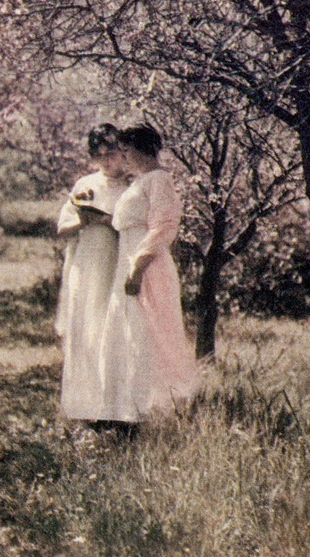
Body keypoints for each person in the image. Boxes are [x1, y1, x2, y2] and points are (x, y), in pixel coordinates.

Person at [98, 123, 199, 424]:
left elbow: (164, 226)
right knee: (125, 333)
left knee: (145, 334)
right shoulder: (139, 183)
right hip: (127, 261)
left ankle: (146, 410)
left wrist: (137, 269)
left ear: (144, 150)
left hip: (146, 265)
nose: (124, 157)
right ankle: (120, 409)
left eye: (127, 151)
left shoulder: (159, 180)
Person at [55, 124, 128, 421]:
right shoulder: (85, 184)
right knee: (86, 328)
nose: (106, 161)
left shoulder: (133, 185)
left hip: (117, 262)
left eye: (111, 153)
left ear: (122, 152)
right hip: (86, 264)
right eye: (99, 155)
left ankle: (114, 409)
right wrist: (84, 221)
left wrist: (112, 221)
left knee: (113, 331)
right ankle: (84, 407)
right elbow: (63, 228)